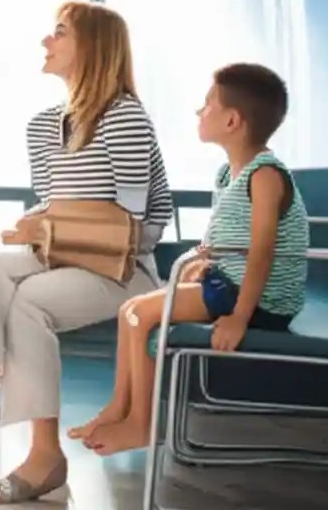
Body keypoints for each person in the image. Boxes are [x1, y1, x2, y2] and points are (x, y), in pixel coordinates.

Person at [0, 1, 174, 503]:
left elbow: (133, 226)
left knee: (29, 301)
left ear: (92, 47)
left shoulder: (125, 118)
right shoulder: (44, 126)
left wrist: (48, 225)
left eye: (59, 33)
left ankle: (44, 457)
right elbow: (53, 204)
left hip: (125, 271)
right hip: (62, 253)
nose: (46, 43)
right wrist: (37, 224)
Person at [71, 62, 310, 456]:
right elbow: (223, 236)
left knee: (137, 315)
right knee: (131, 310)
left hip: (257, 301)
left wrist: (239, 317)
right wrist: (203, 259)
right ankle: (119, 408)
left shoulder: (265, 176)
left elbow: (263, 251)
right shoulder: (228, 174)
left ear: (232, 120)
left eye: (207, 104)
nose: (199, 112)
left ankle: (140, 424)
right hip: (227, 285)